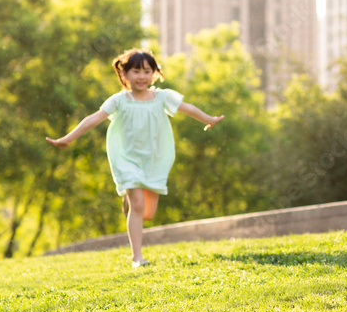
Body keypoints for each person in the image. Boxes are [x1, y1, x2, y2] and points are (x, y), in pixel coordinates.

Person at [46, 48, 224, 268]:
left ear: (154, 74)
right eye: (136, 71)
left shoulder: (163, 97)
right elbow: (93, 119)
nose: (142, 76)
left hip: (153, 159)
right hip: (126, 159)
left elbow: (187, 108)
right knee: (138, 205)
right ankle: (137, 257)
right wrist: (68, 138)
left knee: (147, 213)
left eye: (147, 71)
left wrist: (209, 119)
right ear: (124, 75)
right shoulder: (119, 101)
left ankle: (130, 199)